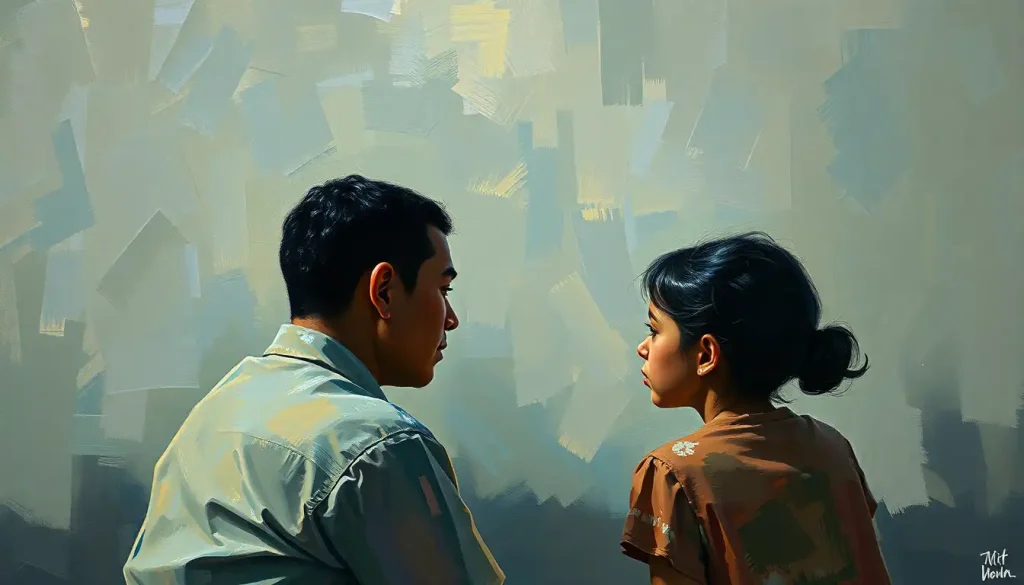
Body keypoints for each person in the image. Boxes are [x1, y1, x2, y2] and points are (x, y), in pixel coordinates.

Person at [124, 175, 505, 584]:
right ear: (384, 292)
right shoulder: (378, 445)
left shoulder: (212, 418)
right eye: (444, 290)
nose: (451, 319)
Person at [621, 232, 891, 585]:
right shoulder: (832, 447)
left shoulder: (673, 474)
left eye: (654, 330)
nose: (643, 347)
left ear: (706, 355)